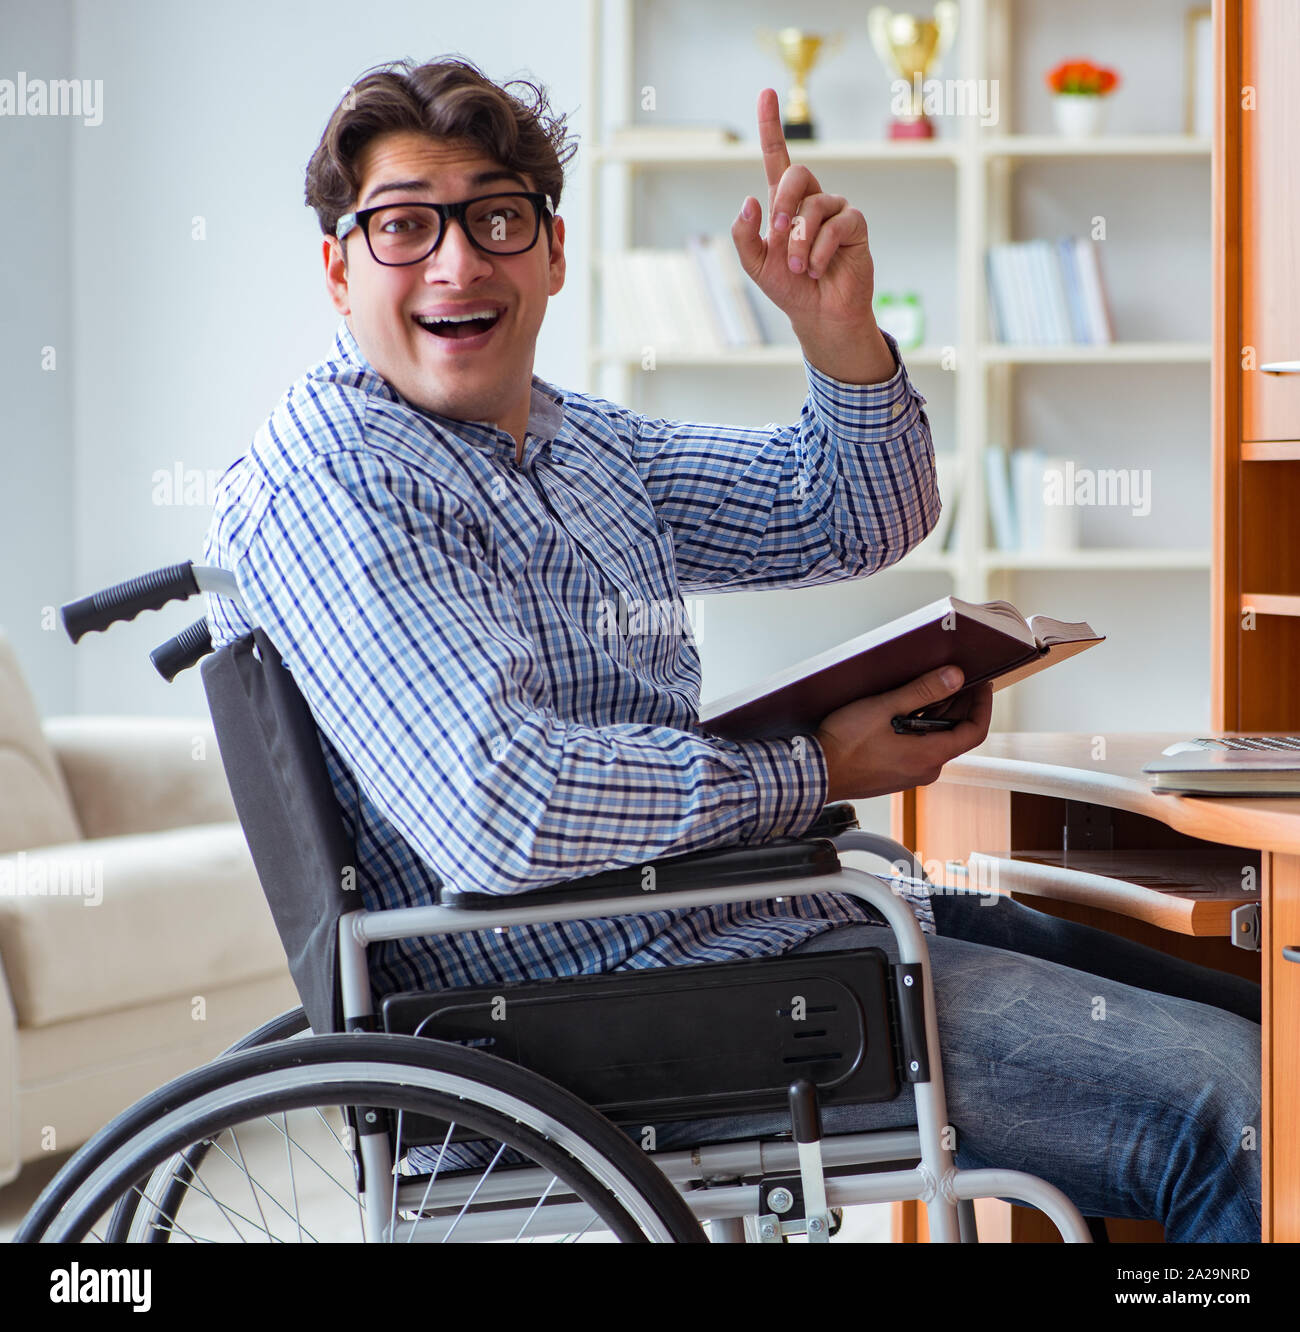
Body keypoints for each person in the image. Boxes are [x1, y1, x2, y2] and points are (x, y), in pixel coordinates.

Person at [204, 56, 1260, 1242]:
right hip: (607, 1002)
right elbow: (503, 809)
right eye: (405, 227)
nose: (458, 262)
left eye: (497, 218)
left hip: (762, 922)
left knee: (1272, 1023)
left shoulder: (570, 444)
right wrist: (812, 768)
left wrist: (839, 340)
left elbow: (844, 512)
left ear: (551, 253)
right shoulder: (333, 477)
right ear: (341, 267)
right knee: (1244, 1116)